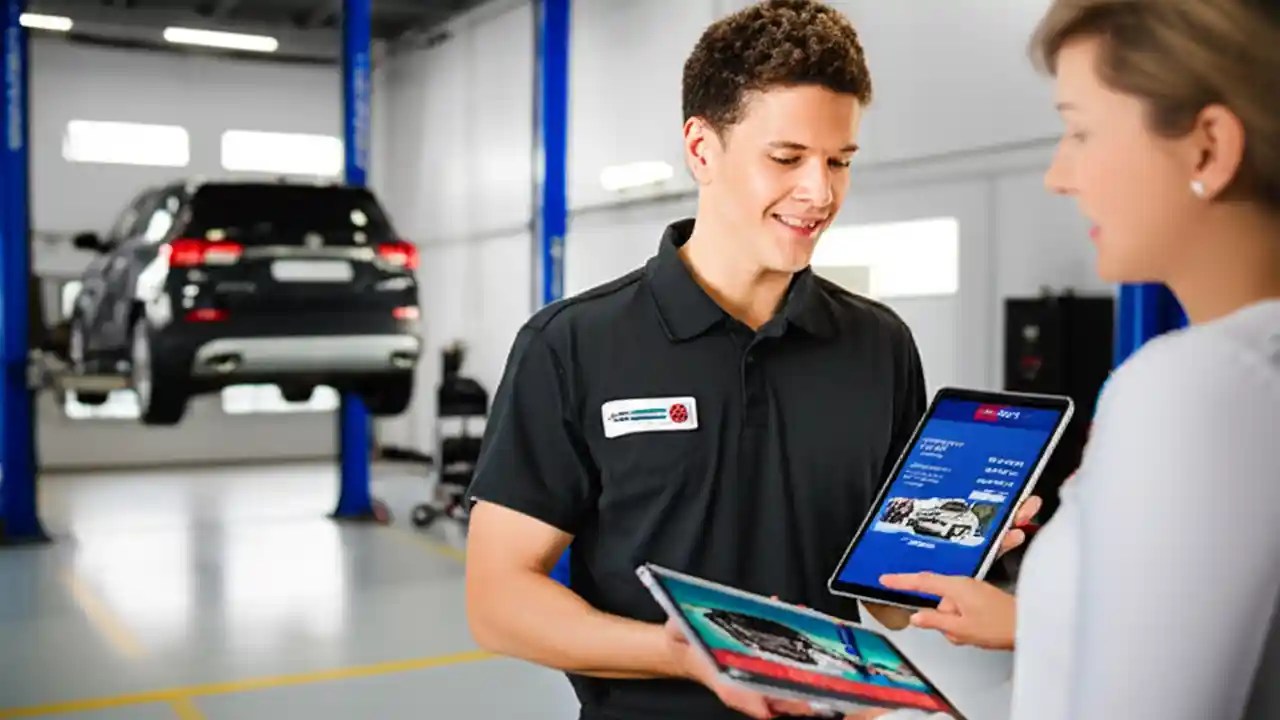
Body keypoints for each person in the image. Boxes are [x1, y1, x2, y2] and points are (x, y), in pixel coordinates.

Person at [462, 2, 1035, 719]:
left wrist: (961, 559)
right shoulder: (572, 345)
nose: (819, 192)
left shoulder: (878, 344)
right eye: (787, 158)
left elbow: (884, 600)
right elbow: (498, 600)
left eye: (840, 161)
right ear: (702, 149)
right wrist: (683, 653)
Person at [860, 1, 1280, 718]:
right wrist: (1043, 622)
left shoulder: (1193, 386)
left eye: (1081, 131)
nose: (1060, 174)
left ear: (1207, 147)